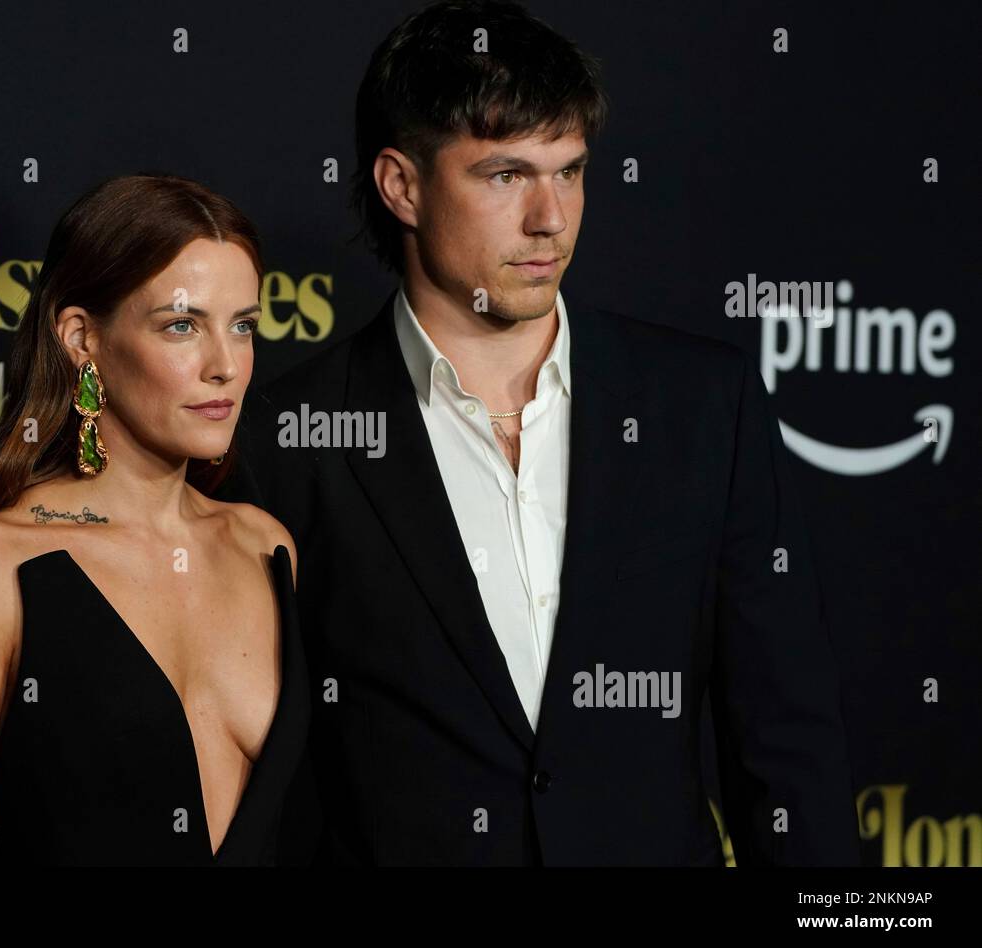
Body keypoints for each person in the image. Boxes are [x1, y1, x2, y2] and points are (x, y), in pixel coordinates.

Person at [219, 0, 862, 865]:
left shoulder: (703, 405)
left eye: (571, 170)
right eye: (504, 175)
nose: (550, 217)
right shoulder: (283, 438)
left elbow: (789, 747)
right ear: (401, 186)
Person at [0, 174, 309, 865]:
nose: (226, 366)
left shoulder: (265, 545)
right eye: (182, 325)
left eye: (243, 326)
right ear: (82, 339)